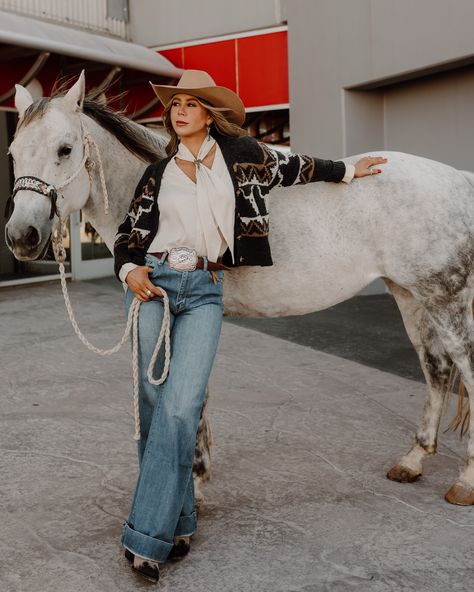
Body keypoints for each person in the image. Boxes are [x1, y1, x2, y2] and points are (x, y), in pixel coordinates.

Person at [113, 69, 387, 582]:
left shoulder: (243, 157)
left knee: (182, 406)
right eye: (175, 105)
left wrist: (349, 171)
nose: (180, 111)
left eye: (191, 104)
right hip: (155, 287)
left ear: (209, 114)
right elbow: (129, 236)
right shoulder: (157, 172)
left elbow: (298, 166)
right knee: (154, 407)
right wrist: (130, 270)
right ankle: (178, 522)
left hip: (204, 292)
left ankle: (144, 539)